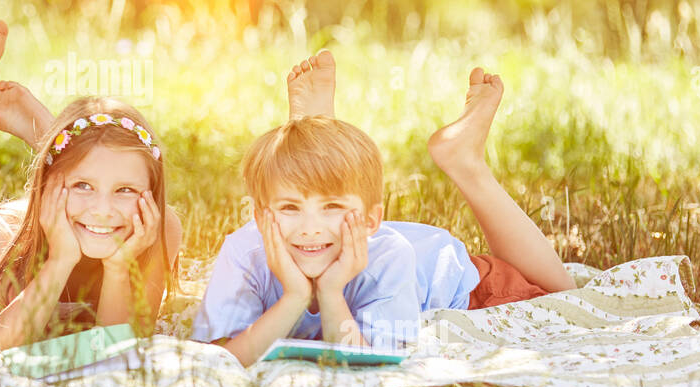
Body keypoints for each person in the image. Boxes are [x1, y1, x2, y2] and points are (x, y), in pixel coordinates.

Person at [194, 59, 576, 366]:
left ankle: (466, 163)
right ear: (261, 218)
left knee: (564, 296)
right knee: (321, 202)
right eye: (290, 207)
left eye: (330, 206)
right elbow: (224, 359)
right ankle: (317, 143)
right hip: (355, 235)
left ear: (372, 221)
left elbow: (364, 365)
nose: (309, 229)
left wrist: (329, 290)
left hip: (453, 278)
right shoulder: (243, 252)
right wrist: (295, 296)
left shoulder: (391, 255)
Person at [0, 21, 182, 352]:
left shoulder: (158, 228)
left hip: (59, 192)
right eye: (83, 185)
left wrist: (119, 264)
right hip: (6, 243)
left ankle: (54, 145)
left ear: (151, 193)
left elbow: (115, 350)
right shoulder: (2, 232)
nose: (103, 210)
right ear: (47, 186)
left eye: (124, 190)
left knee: (89, 176)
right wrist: (59, 261)